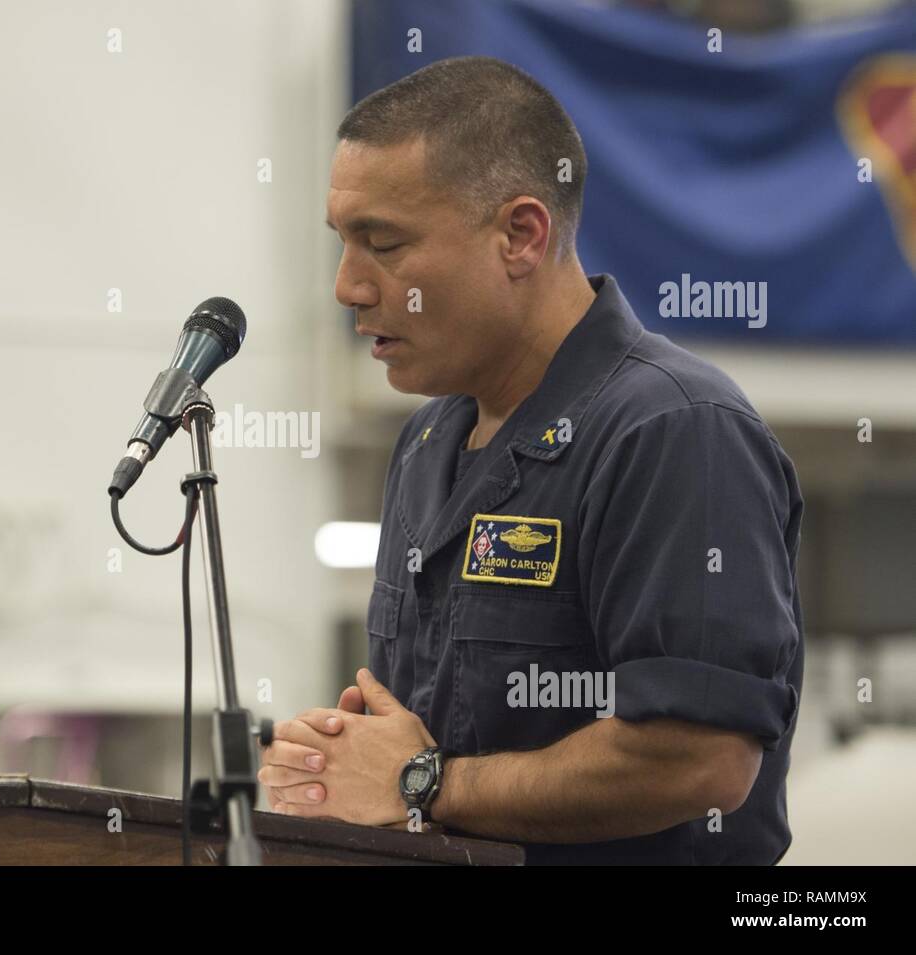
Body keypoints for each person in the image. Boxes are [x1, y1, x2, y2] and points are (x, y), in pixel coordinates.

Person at [258, 56, 804, 864]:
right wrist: (341, 758)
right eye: (343, 243)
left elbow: (702, 758)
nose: (347, 287)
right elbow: (418, 745)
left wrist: (421, 782)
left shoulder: (671, 431)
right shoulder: (426, 444)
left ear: (521, 235)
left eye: (384, 243)